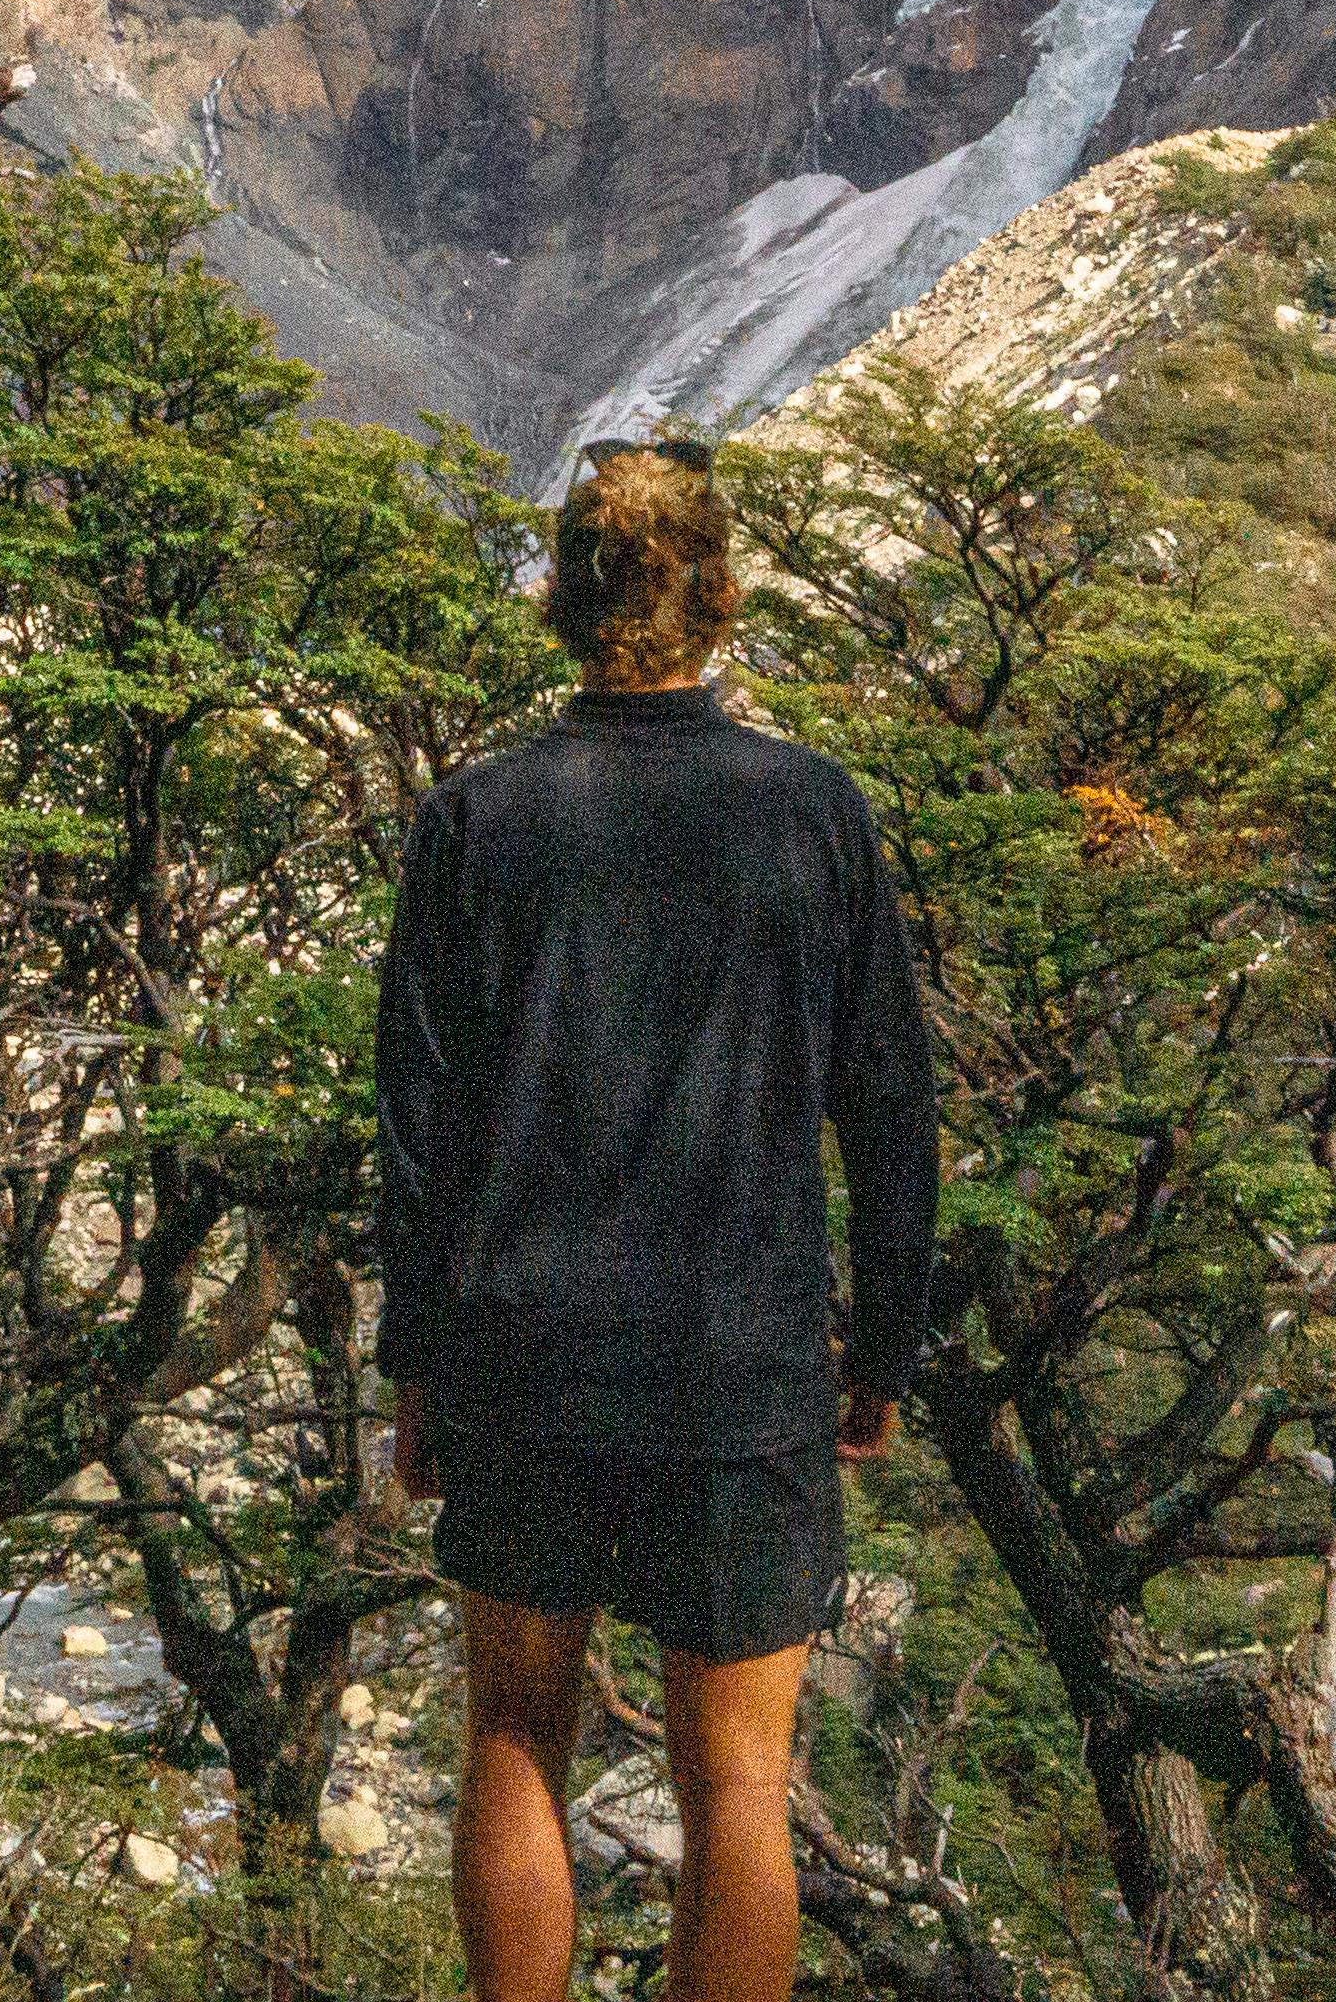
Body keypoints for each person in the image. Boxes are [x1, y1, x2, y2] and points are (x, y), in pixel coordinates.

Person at [374, 435, 939, 2002]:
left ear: (561, 600)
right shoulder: (812, 813)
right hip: (736, 1356)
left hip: (523, 1351)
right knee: (739, 1792)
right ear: (723, 597)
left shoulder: (475, 819)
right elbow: (889, 1108)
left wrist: (411, 1366)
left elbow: (418, 1130)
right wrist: (881, 1342)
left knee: (511, 1738)